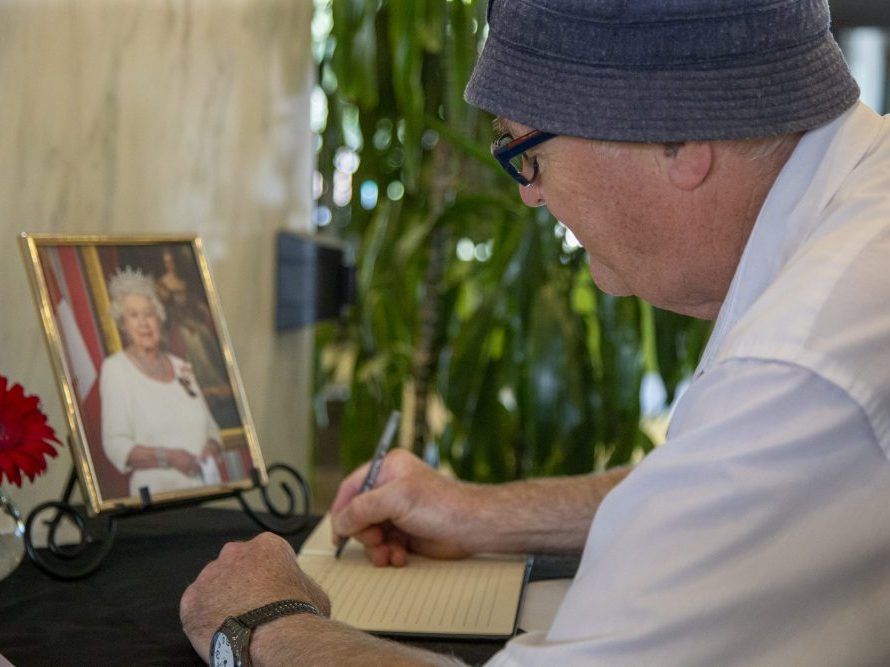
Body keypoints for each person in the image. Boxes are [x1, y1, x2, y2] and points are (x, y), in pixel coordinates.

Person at [181, 0, 890, 664]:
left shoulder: (802, 364)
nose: (530, 192)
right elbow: (712, 483)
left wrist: (260, 624)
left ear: (677, 136)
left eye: (530, 151)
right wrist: (478, 513)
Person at [100, 266, 224, 497]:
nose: (144, 323)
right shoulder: (115, 369)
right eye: (134, 316)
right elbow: (116, 445)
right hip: (155, 498)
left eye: (149, 314)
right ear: (123, 325)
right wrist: (170, 458)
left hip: (204, 491)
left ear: (159, 319)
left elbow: (212, 429)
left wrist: (210, 448)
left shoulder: (181, 367)